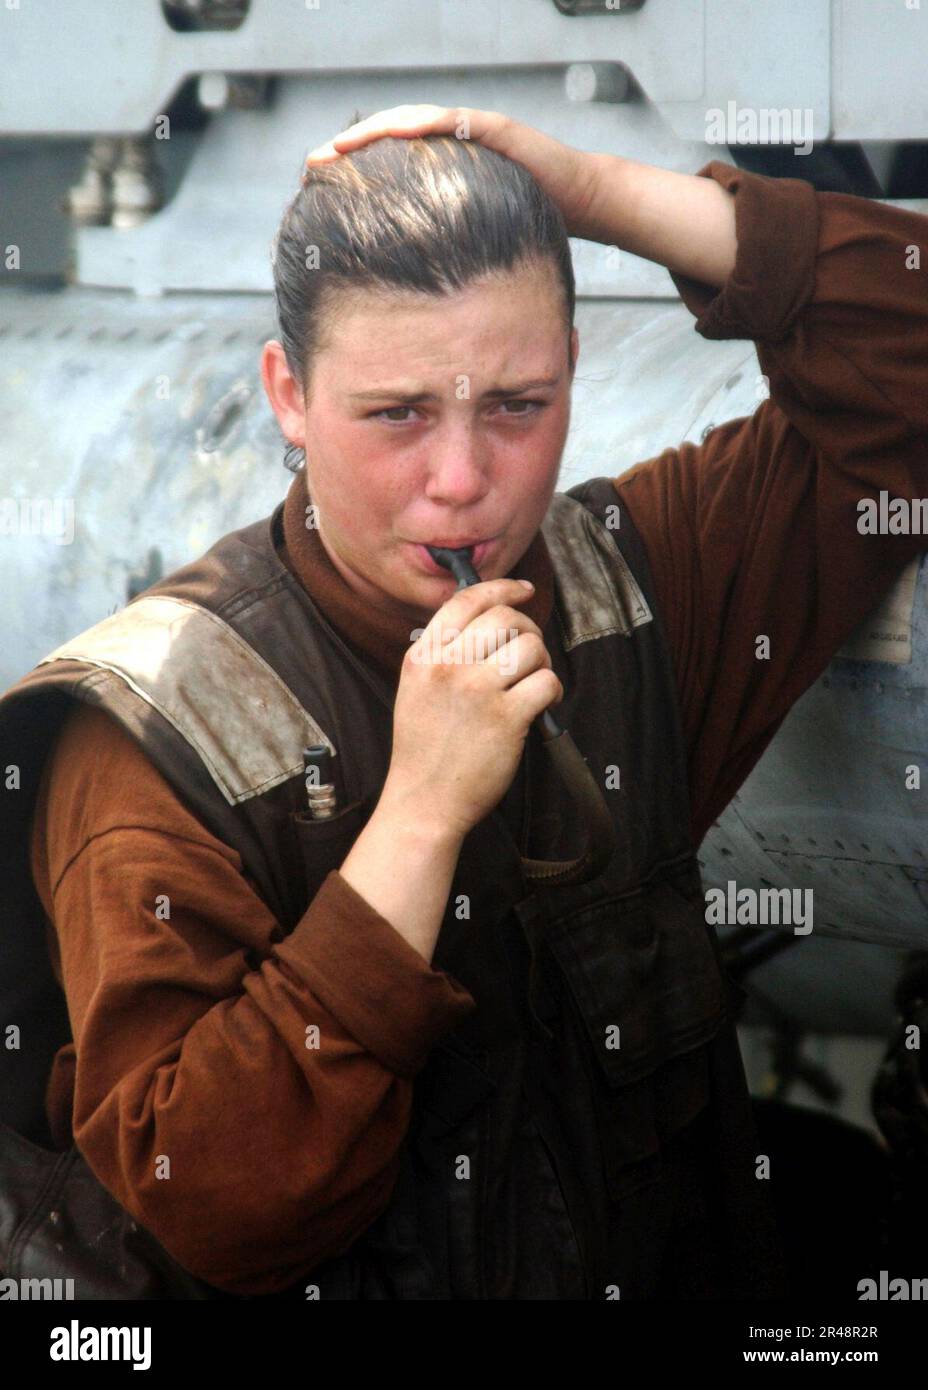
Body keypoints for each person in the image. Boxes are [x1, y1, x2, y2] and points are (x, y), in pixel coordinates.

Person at [1, 104, 926, 1300]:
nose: (462, 483)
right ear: (288, 394)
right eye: (396, 415)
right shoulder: (156, 744)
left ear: (573, 372)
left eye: (516, 404)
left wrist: (597, 192)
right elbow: (213, 1207)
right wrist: (419, 820)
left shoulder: (635, 593)